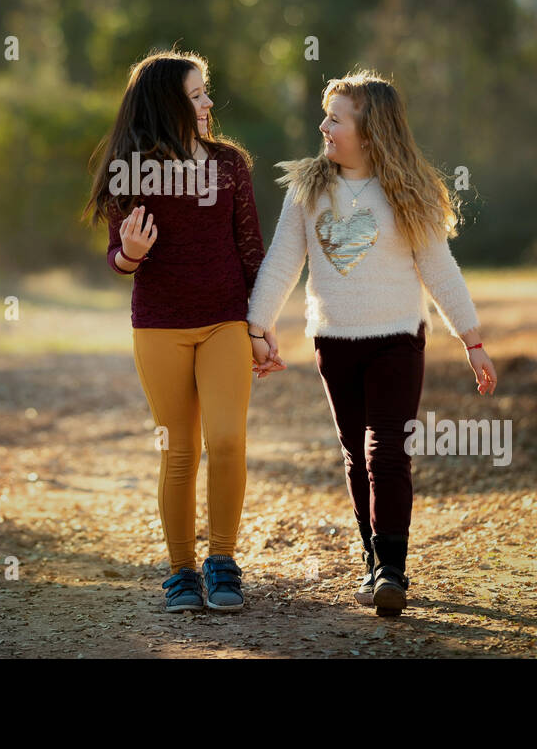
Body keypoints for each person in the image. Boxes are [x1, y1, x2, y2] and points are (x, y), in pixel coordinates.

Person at [246, 68, 497, 616]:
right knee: (355, 456)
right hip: (334, 341)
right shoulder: (308, 189)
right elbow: (284, 262)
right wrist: (255, 326)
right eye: (326, 116)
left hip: (398, 339)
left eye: (335, 119)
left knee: (386, 449)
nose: (324, 126)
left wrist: (471, 340)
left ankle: (392, 569)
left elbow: (439, 268)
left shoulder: (407, 190)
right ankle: (372, 559)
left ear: (370, 128)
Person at [83, 48, 272, 613]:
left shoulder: (230, 164)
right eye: (196, 95)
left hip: (224, 322)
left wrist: (259, 327)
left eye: (206, 92)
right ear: (169, 104)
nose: (209, 102)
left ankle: (222, 562)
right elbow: (119, 255)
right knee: (180, 449)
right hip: (160, 326)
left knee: (229, 440)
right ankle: (182, 572)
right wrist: (132, 255)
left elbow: (251, 251)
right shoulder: (131, 167)